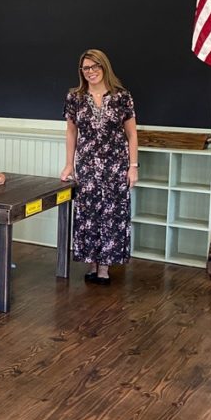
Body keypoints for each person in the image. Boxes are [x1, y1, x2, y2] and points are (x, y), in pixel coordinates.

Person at [60, 49, 138, 285]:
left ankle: (104, 267)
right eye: (86, 68)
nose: (91, 72)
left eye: (95, 67)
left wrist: (133, 166)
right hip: (87, 164)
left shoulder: (122, 96)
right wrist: (68, 164)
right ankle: (91, 264)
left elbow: (132, 134)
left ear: (104, 67)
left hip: (116, 164)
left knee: (112, 214)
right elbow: (71, 132)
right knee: (88, 214)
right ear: (81, 72)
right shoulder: (75, 97)